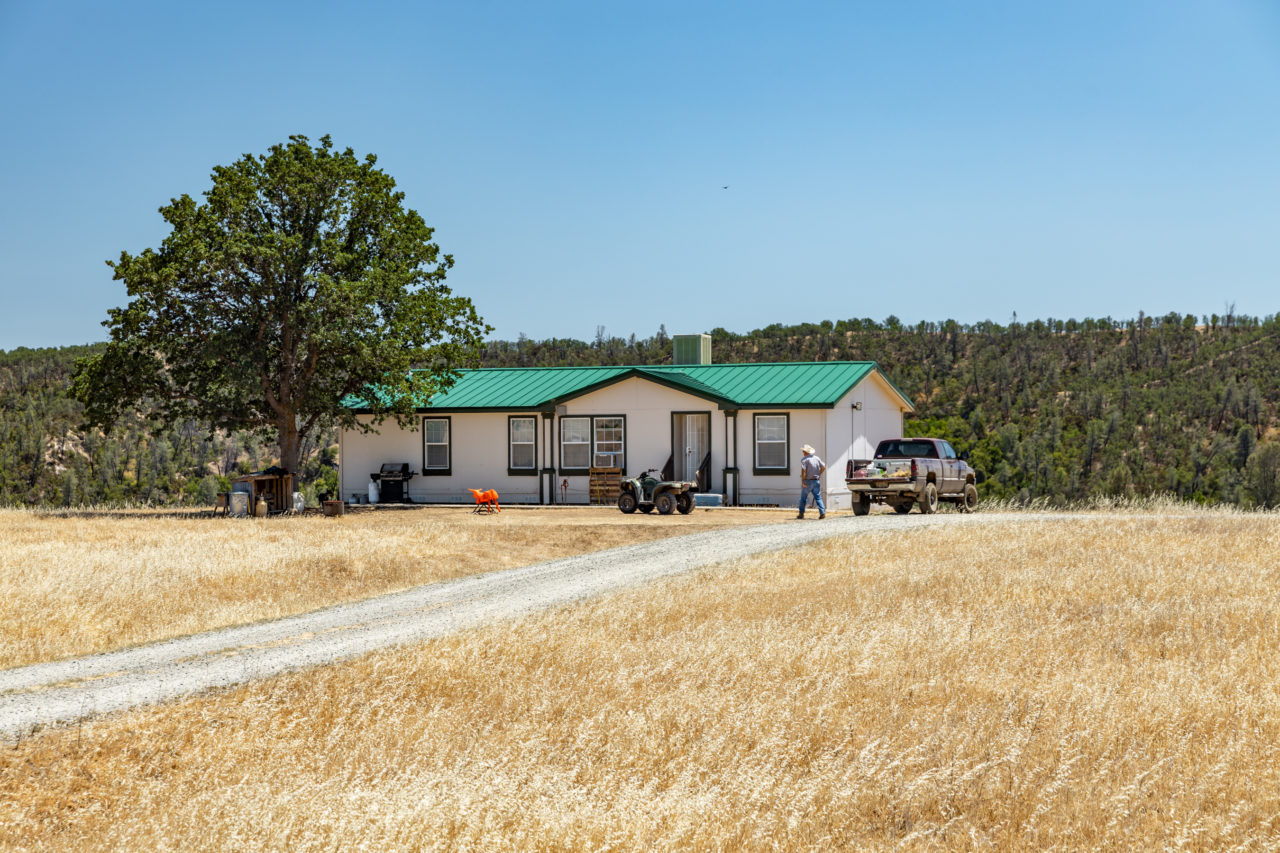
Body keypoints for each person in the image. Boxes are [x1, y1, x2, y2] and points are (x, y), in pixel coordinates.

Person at [797, 444, 826, 519]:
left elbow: (803, 471)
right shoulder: (817, 458)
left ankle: (801, 514)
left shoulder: (804, 460)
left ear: (806, 452)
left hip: (807, 481)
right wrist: (818, 474)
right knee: (818, 497)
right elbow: (823, 467)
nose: (803, 452)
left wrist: (803, 481)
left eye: (803, 451)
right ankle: (822, 513)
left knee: (803, 498)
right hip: (816, 481)